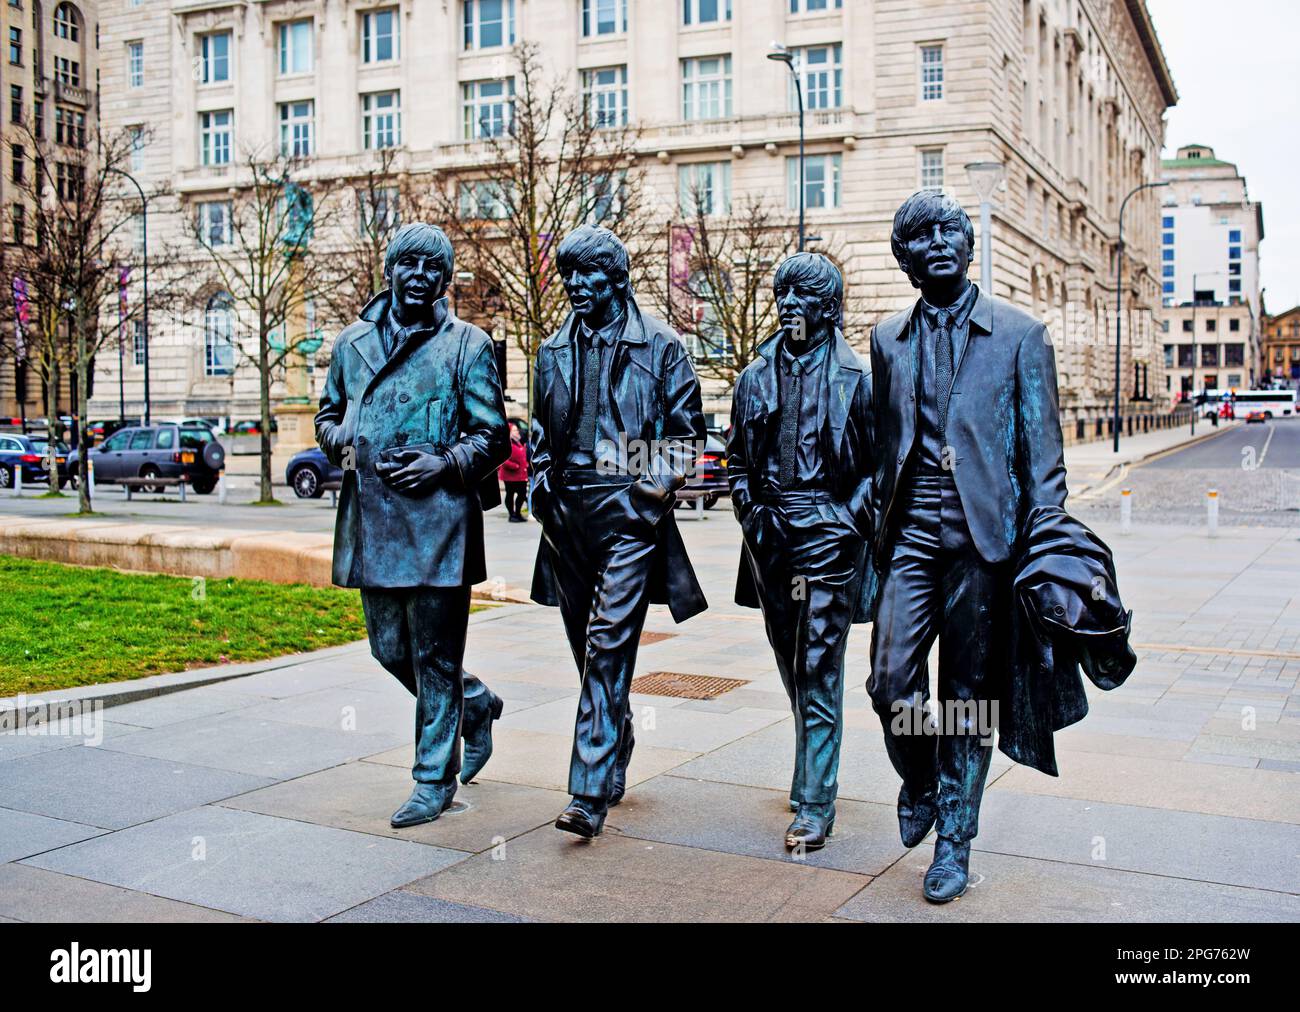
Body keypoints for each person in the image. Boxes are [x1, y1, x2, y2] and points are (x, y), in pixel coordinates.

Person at [867, 190, 1134, 902]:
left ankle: (954, 836)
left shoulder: (1021, 335)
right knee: (889, 682)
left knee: (967, 696)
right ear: (906, 259)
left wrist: (1044, 550)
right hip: (912, 537)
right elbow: (882, 443)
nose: (938, 245)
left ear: (969, 243)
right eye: (920, 238)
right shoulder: (887, 339)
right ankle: (922, 777)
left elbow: (1044, 465)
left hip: (987, 543)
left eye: (949, 232)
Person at [315, 222, 508, 829]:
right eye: (411, 265)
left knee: (435, 657)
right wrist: (340, 440)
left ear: (445, 281)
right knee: (389, 649)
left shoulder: (467, 345)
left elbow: (493, 435)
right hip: (374, 520)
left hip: (439, 522)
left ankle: (433, 780)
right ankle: (475, 706)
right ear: (390, 269)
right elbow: (326, 417)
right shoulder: (351, 344)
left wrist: (445, 462)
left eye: (434, 269)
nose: (421, 277)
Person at [529, 225, 707, 839]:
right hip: (568, 517)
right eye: (570, 275)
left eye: (590, 275)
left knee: (608, 646)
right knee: (587, 649)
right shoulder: (551, 351)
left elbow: (686, 438)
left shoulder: (660, 347)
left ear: (617, 279)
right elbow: (539, 436)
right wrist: (539, 486)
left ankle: (586, 791)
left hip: (628, 512)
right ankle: (617, 735)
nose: (577, 286)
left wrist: (645, 495)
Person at [727, 253, 875, 851]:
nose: (788, 304)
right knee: (790, 659)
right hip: (771, 538)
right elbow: (736, 459)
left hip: (828, 534)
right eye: (782, 293)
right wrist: (752, 514)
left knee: (817, 662)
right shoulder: (754, 375)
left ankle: (817, 802)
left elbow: (880, 470)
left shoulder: (857, 380)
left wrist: (844, 519)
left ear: (829, 309)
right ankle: (811, 762)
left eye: (803, 296)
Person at [500, 422, 529, 521]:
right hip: (510, 476)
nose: (517, 432)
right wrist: (514, 466)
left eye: (517, 430)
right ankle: (511, 515)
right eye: (515, 430)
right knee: (510, 494)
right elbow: (503, 459)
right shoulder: (506, 443)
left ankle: (517, 513)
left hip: (521, 475)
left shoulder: (519, 442)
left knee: (522, 494)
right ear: (509, 432)